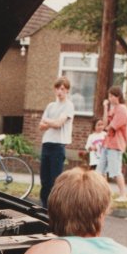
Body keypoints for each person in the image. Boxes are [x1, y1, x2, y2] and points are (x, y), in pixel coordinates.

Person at [38, 76, 74, 208]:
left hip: (58, 146)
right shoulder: (50, 106)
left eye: (63, 89)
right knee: (44, 180)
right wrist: (50, 122)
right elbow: (41, 126)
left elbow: (59, 123)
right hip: (46, 143)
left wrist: (48, 121)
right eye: (58, 88)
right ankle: (44, 206)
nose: (60, 91)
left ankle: (55, 208)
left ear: (67, 91)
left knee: (55, 180)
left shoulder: (69, 105)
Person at [100, 85, 127, 202]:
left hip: (116, 144)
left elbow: (111, 127)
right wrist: (105, 108)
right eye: (109, 96)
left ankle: (123, 195)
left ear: (117, 96)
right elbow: (104, 123)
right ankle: (106, 194)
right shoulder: (113, 109)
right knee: (100, 170)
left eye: (111, 96)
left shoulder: (122, 109)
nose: (110, 98)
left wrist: (106, 128)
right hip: (107, 143)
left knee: (116, 171)